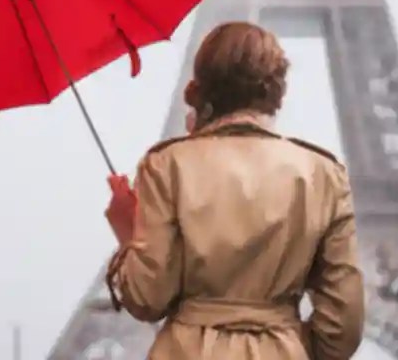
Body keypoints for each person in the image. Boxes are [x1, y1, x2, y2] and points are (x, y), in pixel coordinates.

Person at [102, 21, 365, 359]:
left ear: (202, 86)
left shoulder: (168, 165)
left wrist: (129, 234)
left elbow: (148, 298)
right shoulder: (323, 174)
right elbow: (344, 324)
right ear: (276, 89)